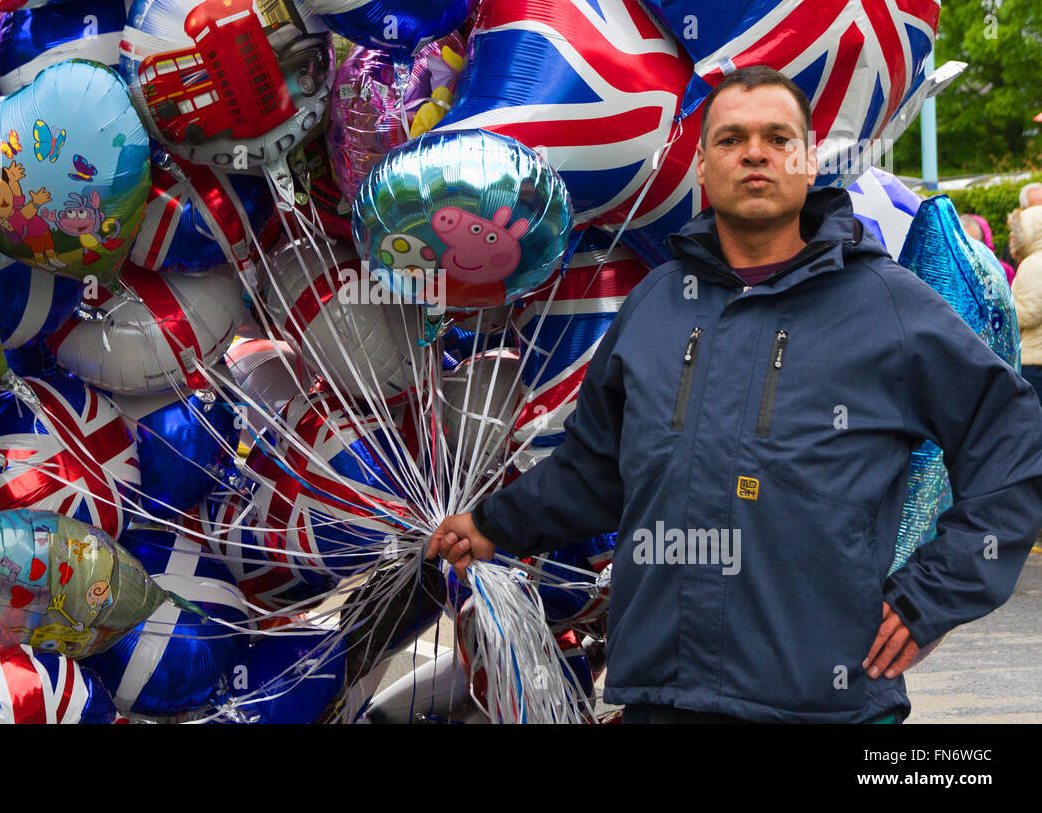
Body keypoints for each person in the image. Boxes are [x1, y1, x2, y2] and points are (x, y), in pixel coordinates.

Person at [429, 66, 1042, 723]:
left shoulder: (888, 306)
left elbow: (1013, 444)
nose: (755, 152)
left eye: (778, 137)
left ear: (809, 164)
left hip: (828, 703)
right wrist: (494, 525)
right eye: (731, 139)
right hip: (664, 696)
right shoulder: (657, 305)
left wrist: (930, 597)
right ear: (701, 167)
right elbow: (596, 471)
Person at [1009, 205, 1042, 402]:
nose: (1012, 237)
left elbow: (1030, 312)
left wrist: (1006, 312)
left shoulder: (1033, 264)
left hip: (1033, 361)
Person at [960, 212, 1015, 284]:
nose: (968, 250)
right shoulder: (946, 272)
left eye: (973, 244)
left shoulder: (1003, 271)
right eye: (962, 244)